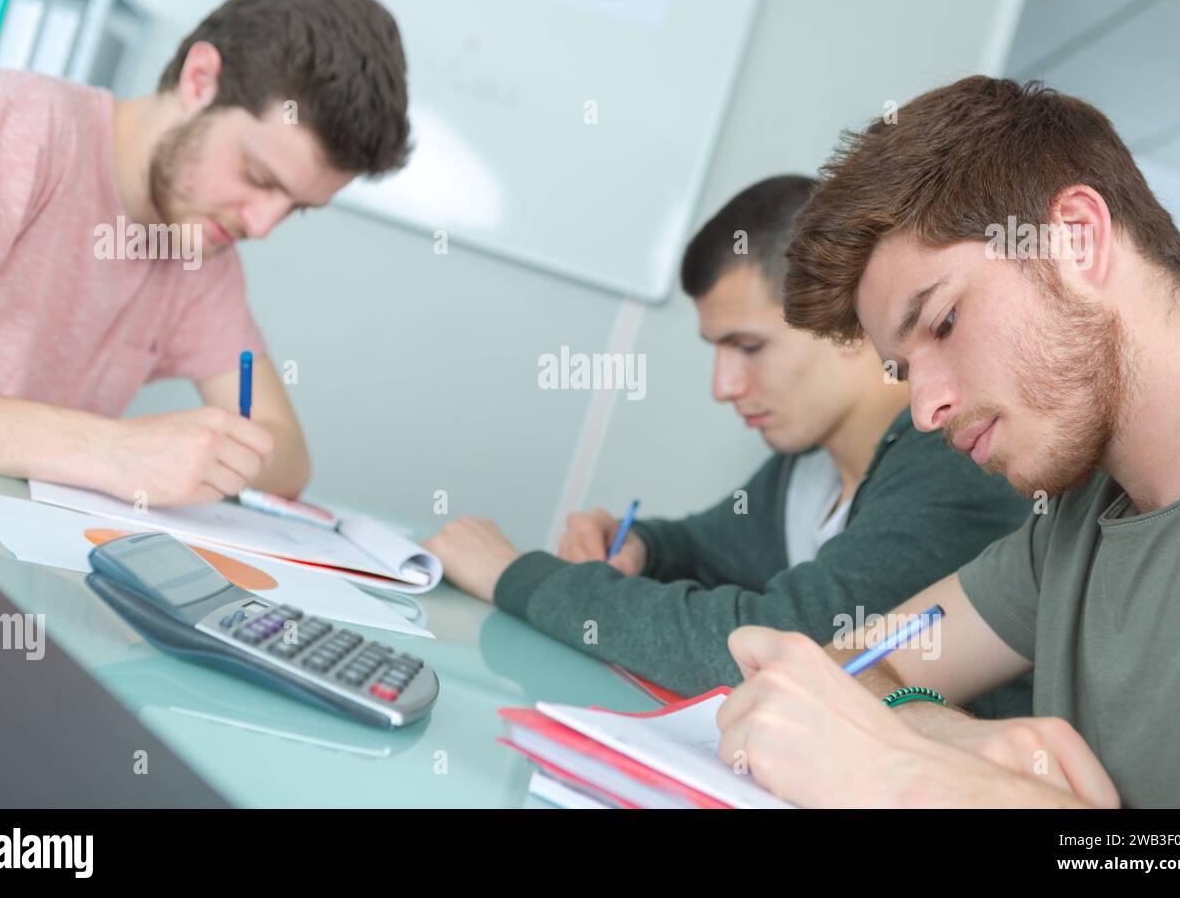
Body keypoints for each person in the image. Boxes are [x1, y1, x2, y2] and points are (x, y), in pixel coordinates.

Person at [717, 76, 1180, 807]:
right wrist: (943, 732)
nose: (925, 409)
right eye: (903, 370)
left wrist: (925, 782)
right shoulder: (1076, 516)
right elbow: (863, 660)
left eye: (943, 323)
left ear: (1076, 239)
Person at [426, 176, 1032, 708]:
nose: (724, 386)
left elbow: (771, 643)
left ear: (848, 323)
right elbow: (701, 545)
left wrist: (514, 574)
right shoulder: (806, 466)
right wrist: (639, 545)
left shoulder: (953, 460)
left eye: (748, 347)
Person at [0, 0, 410, 504]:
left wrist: (206, 448)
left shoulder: (199, 252)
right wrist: (110, 449)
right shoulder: (13, 128)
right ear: (199, 80)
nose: (260, 227)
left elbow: (288, 459)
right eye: (258, 177)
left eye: (296, 208)